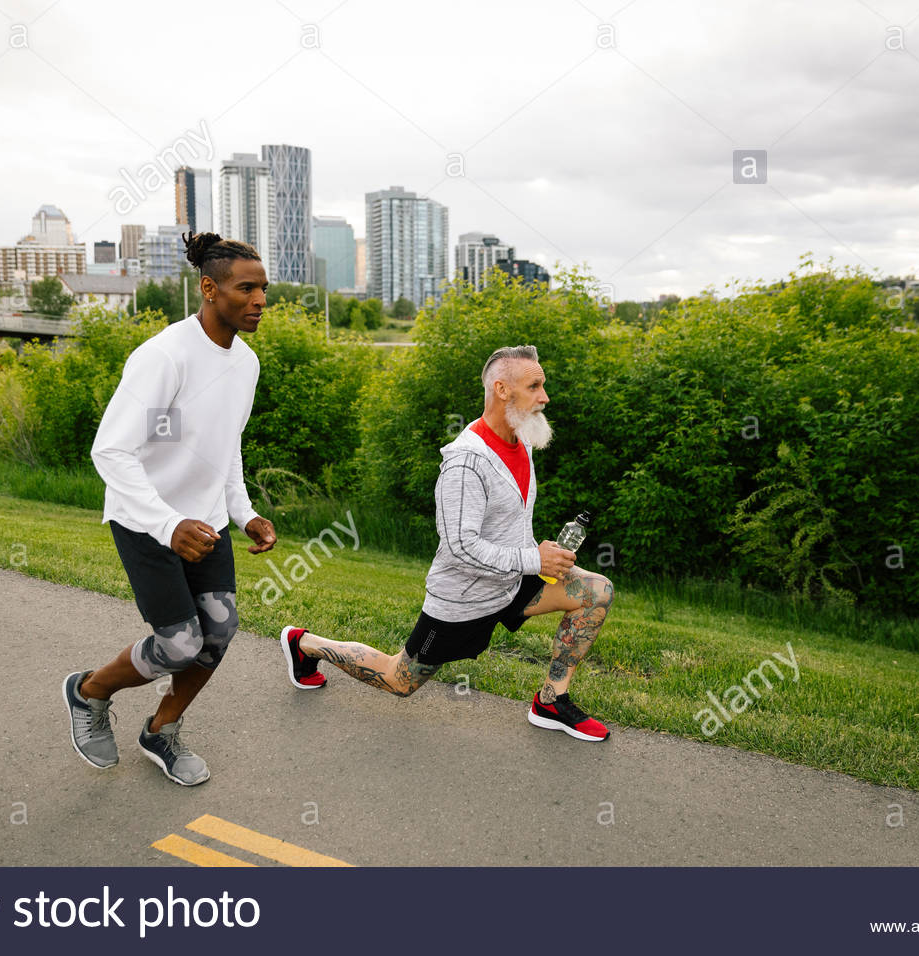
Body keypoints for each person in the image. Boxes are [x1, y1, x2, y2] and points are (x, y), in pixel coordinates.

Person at [280, 345, 615, 741]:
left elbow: (505, 517)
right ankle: (305, 644)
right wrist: (530, 557)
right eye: (535, 386)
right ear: (502, 389)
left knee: (596, 590)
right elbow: (460, 546)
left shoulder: (521, 439)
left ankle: (550, 701)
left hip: (513, 582)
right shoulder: (465, 461)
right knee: (398, 680)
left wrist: (536, 549)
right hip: (464, 599)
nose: (545, 396)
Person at [62, 231, 276, 786]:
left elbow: (225, 446)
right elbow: (110, 450)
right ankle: (89, 692)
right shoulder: (164, 356)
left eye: (263, 289)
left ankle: (161, 729)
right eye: (245, 289)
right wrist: (167, 522)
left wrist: (243, 511)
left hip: (203, 523)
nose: (259, 301)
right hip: (145, 520)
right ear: (209, 288)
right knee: (180, 643)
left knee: (220, 631)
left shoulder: (246, 364)